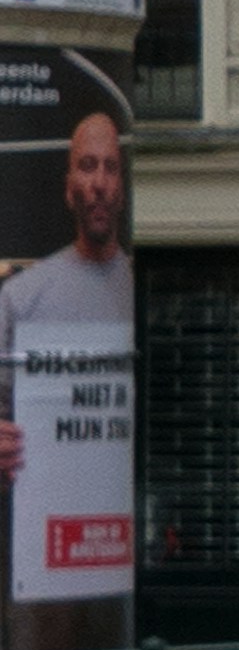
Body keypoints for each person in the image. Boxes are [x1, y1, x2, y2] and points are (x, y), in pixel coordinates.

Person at [0, 107, 131, 485]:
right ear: (68, 186)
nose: (100, 183)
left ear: (122, 189)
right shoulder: (20, 296)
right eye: (88, 166)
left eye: (111, 168)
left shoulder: (137, 291)